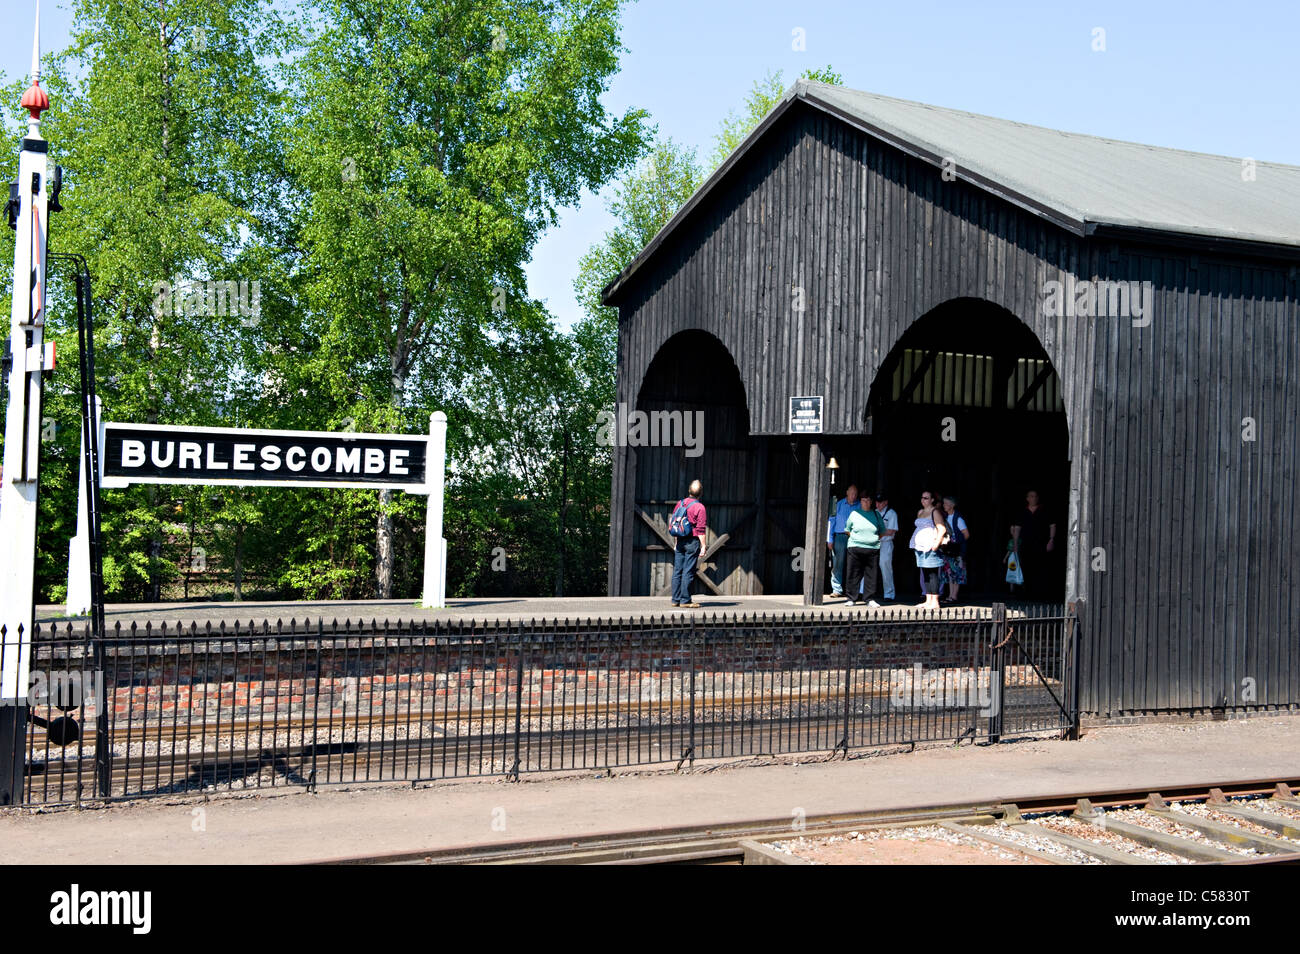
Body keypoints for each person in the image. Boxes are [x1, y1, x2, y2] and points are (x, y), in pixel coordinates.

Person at [1011, 489, 1056, 600]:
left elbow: (1052, 526)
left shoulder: (1045, 510)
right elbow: (1017, 529)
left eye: (1035, 496)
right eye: (1031, 496)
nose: (1034, 498)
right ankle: (1027, 594)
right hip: (1026, 545)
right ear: (1027, 499)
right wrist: (1015, 544)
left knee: (1041, 568)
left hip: (1042, 544)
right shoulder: (1022, 512)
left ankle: (1041, 594)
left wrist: (1051, 540)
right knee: (1026, 568)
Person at [668, 480, 708, 608]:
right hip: (692, 541)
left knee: (677, 570)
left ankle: (675, 599)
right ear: (700, 493)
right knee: (688, 571)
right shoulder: (700, 507)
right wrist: (703, 546)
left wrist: (675, 542)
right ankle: (685, 601)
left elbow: (675, 522)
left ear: (689, 491)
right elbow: (701, 530)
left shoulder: (680, 503)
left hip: (680, 540)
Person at [842, 493, 885, 607]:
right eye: (863, 500)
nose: (866, 502)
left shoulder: (876, 514)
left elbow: (882, 531)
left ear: (871, 502)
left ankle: (869, 598)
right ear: (860, 502)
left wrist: (871, 540)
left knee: (871, 575)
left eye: (868, 500)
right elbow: (847, 530)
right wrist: (858, 539)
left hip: (872, 548)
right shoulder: (854, 513)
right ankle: (851, 598)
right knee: (853, 573)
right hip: (855, 547)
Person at [910, 491, 949, 610]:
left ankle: (935, 601)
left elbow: (941, 528)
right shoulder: (920, 512)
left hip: (930, 546)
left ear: (932, 500)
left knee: (932, 574)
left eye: (926, 498)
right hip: (920, 547)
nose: (923, 500)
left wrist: (936, 544)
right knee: (925, 573)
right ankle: (928, 600)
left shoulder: (934, 511)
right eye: (922, 498)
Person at [825, 484, 860, 601]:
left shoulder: (860, 505)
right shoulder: (837, 504)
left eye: (855, 494)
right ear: (847, 493)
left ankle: (852, 590)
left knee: (853, 564)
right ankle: (836, 590)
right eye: (851, 493)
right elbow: (831, 521)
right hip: (839, 536)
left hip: (854, 537)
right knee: (838, 563)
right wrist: (829, 538)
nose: (853, 496)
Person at [939, 495, 970, 604]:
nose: (944, 505)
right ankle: (950, 595)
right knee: (950, 573)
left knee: (957, 573)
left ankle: (954, 596)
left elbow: (966, 534)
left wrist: (957, 543)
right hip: (949, 550)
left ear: (952, 505)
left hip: (957, 550)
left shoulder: (958, 518)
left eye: (946, 503)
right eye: (944, 503)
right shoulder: (946, 517)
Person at [874, 491, 898, 602]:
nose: (877, 504)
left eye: (880, 502)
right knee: (868, 566)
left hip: (886, 543)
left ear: (885, 502)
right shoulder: (873, 512)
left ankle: (889, 593)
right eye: (876, 502)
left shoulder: (891, 513)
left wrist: (878, 534)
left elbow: (891, 530)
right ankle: (863, 592)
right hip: (873, 543)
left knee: (885, 566)